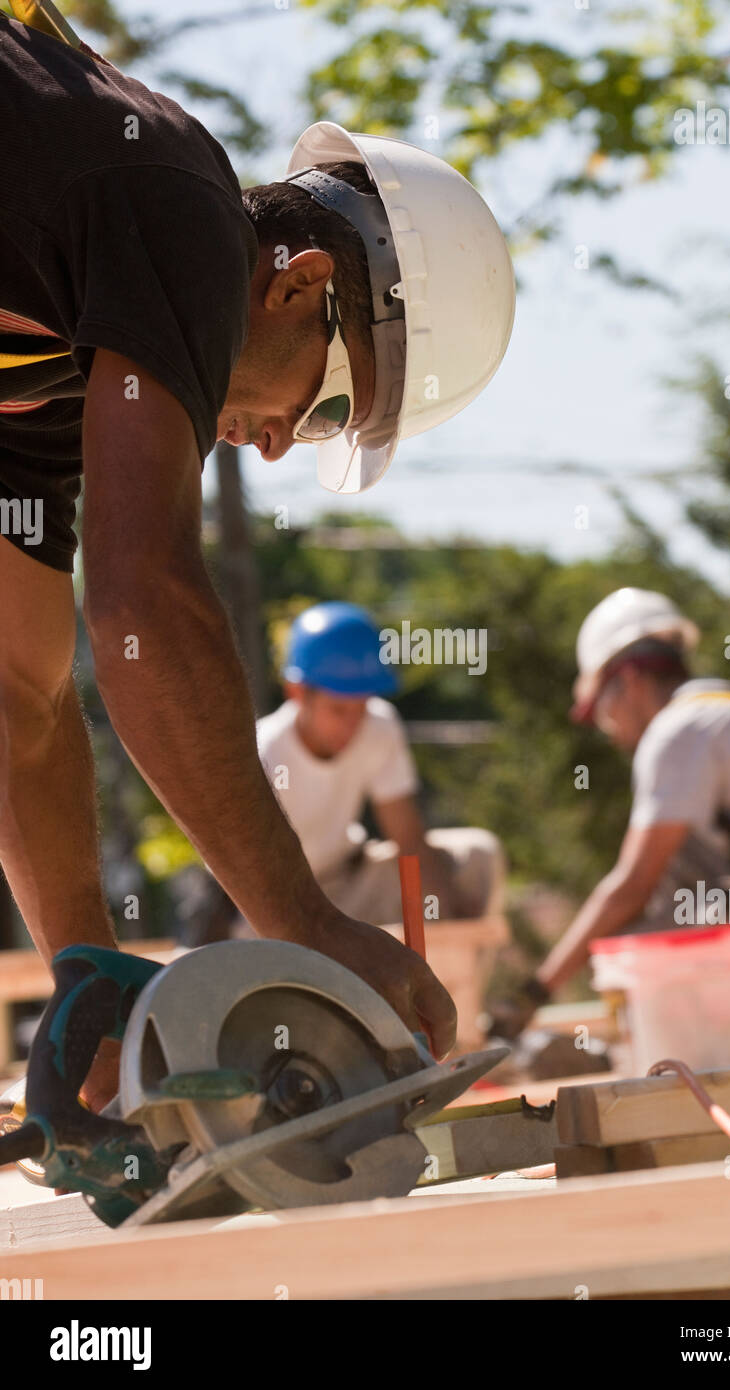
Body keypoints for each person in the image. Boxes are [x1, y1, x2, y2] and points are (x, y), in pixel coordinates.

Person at [0, 13, 515, 1108]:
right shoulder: (174, 200)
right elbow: (145, 597)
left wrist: (88, 985)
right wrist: (306, 919)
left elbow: (19, 695)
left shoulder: (51, 363)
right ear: (299, 282)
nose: (282, 441)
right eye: (328, 406)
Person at [493, 588, 730, 1044]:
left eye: (598, 709)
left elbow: (631, 887)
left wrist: (533, 993)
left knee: (669, 856)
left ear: (627, 679)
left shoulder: (677, 731)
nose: (606, 729)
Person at [254, 602, 505, 927]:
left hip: (348, 886)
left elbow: (408, 838)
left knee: (477, 857)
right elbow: (250, 873)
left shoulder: (379, 725)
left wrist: (447, 916)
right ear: (298, 693)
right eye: (338, 711)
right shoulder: (263, 753)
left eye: (361, 707)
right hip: (272, 905)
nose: (353, 725)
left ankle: (452, 973)